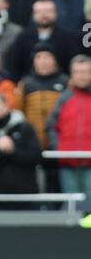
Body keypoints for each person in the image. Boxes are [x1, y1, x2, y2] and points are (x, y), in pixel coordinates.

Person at [0, 92, 41, 209]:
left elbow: (35, 157)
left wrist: (13, 151)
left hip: (25, 195)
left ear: (5, 107)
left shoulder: (25, 128)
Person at [16, 42, 68, 195]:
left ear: (55, 60)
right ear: (33, 61)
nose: (43, 61)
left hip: (58, 145)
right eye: (39, 57)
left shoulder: (65, 82)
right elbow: (19, 113)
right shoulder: (26, 84)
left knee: (57, 184)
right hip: (33, 145)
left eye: (48, 57)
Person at [47, 55, 91, 203]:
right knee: (72, 206)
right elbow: (51, 126)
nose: (81, 76)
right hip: (68, 163)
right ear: (72, 74)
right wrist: (58, 147)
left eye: (85, 71)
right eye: (77, 72)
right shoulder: (64, 99)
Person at [6, 0, 82, 82]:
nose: (43, 15)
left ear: (56, 13)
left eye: (48, 11)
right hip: (29, 86)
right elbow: (14, 66)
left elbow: (74, 64)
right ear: (33, 15)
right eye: (39, 12)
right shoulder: (23, 37)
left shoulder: (68, 37)